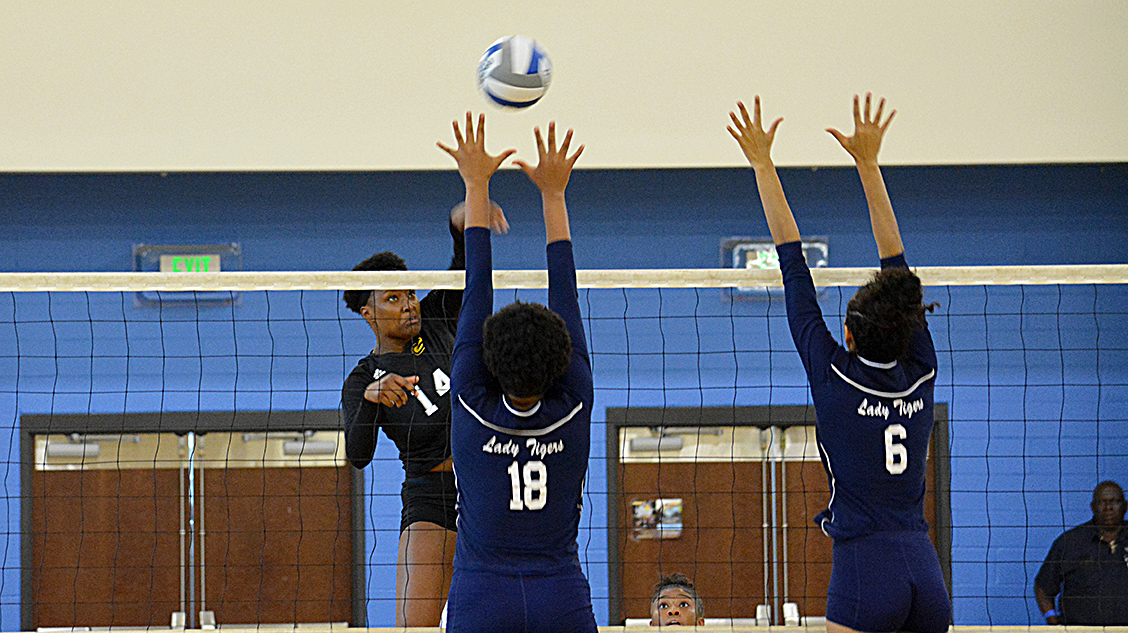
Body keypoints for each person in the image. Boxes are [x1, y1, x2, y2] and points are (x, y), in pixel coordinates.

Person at [729, 93, 950, 632]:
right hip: (925, 568)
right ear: (909, 328)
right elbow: (897, 267)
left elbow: (792, 262)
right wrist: (869, 164)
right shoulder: (922, 370)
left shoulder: (834, 376)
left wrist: (762, 164)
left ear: (847, 335)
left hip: (865, 566)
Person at [437, 112, 598, 633]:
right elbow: (565, 291)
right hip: (559, 594)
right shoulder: (574, 400)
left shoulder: (469, 397)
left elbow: (475, 287)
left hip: (482, 593)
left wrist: (476, 184)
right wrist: (554, 194)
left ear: (488, 360)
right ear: (560, 358)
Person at [339, 200, 508, 626]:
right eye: (392, 298)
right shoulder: (363, 379)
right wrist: (371, 400)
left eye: (410, 294)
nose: (409, 304)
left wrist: (460, 226)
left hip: (488, 479)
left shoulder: (436, 319)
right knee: (415, 625)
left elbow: (466, 272)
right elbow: (357, 455)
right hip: (431, 495)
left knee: (506, 615)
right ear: (368, 313)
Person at [1034, 480, 1128, 625]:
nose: (1108, 508)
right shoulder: (1070, 542)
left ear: (1125, 506)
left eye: (1115, 502)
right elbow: (1043, 587)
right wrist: (1052, 620)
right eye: (1102, 502)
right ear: (1093, 507)